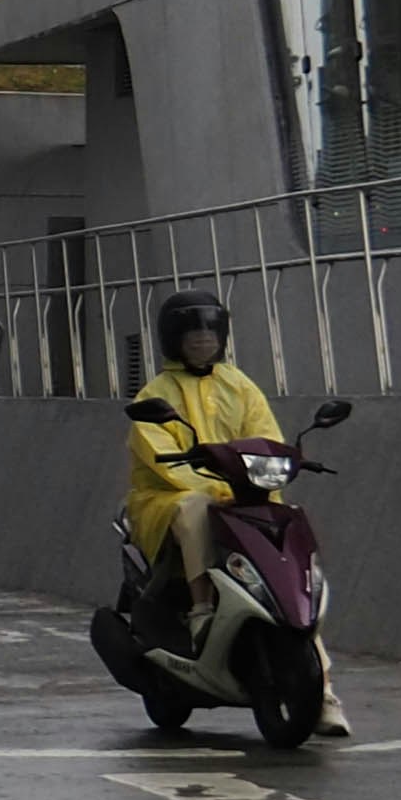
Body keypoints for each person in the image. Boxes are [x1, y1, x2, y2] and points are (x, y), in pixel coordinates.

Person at [124, 288, 349, 736]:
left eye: (210, 330)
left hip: (245, 495)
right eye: (193, 332)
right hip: (169, 499)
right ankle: (202, 607)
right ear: (173, 338)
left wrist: (280, 465)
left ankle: (322, 691)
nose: (203, 339)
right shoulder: (156, 394)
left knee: (290, 566)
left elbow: (265, 436)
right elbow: (161, 456)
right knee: (195, 509)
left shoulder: (240, 386)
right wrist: (217, 487)